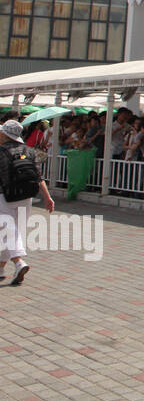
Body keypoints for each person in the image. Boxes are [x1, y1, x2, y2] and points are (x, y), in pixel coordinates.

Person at [0, 119, 55, 285]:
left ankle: (19, 262)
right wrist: (47, 197)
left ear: (4, 134)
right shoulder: (29, 151)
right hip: (26, 197)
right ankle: (1, 268)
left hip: (4, 197)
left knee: (8, 232)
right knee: (10, 233)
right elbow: (38, 176)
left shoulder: (1, 151)